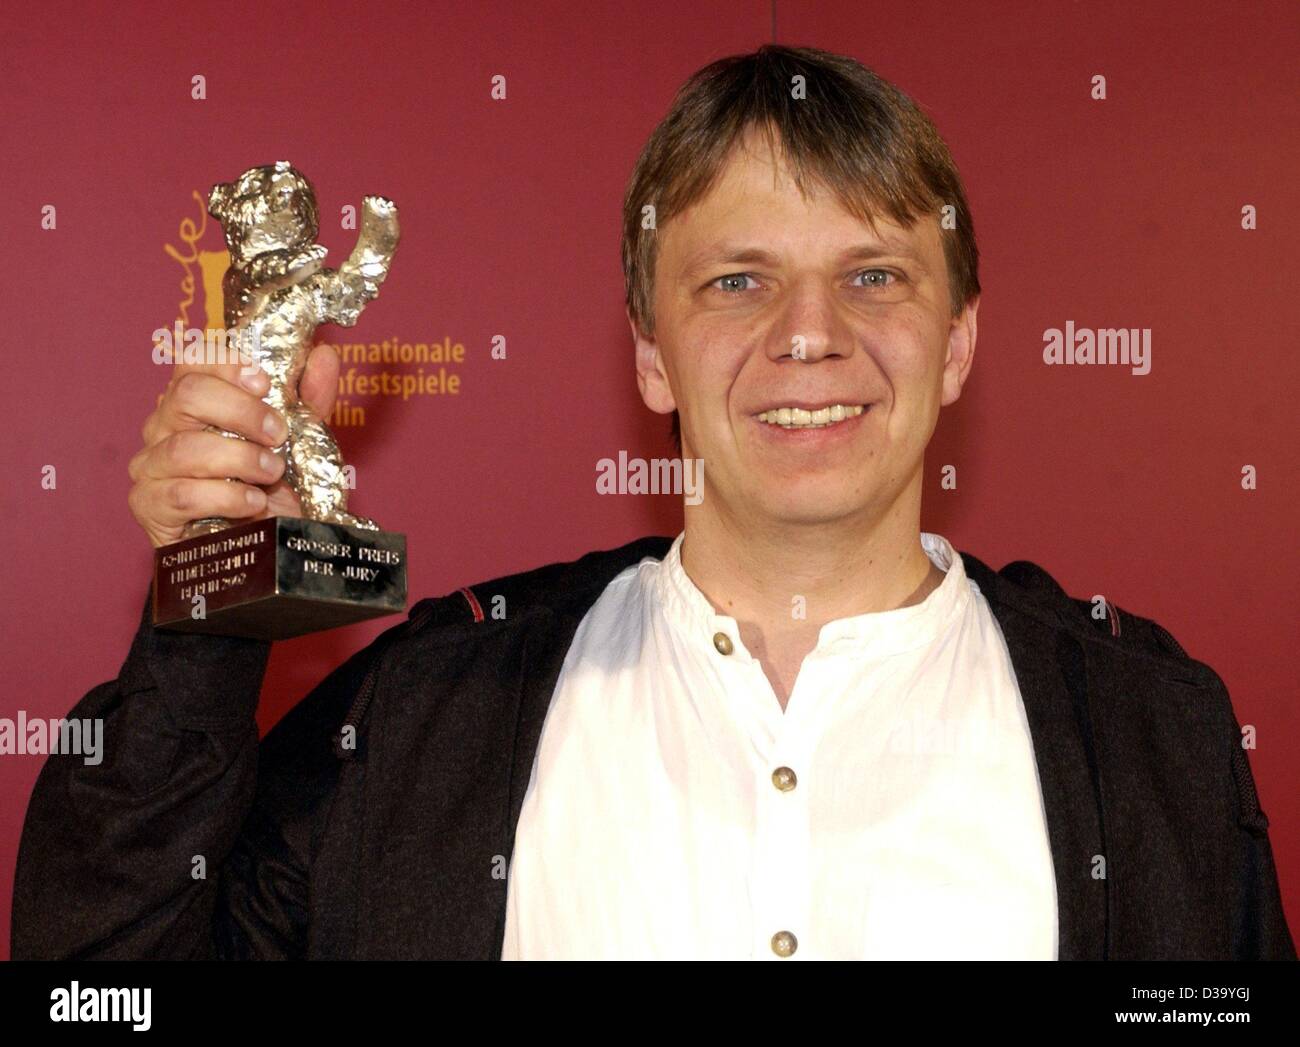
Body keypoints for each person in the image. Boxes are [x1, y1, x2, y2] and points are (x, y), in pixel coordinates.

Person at [12, 44, 1294, 961]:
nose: (810, 336)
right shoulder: (427, 715)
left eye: (872, 275)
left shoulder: (1153, 736)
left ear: (957, 344)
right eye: (736, 281)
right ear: (646, 351)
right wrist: (208, 608)